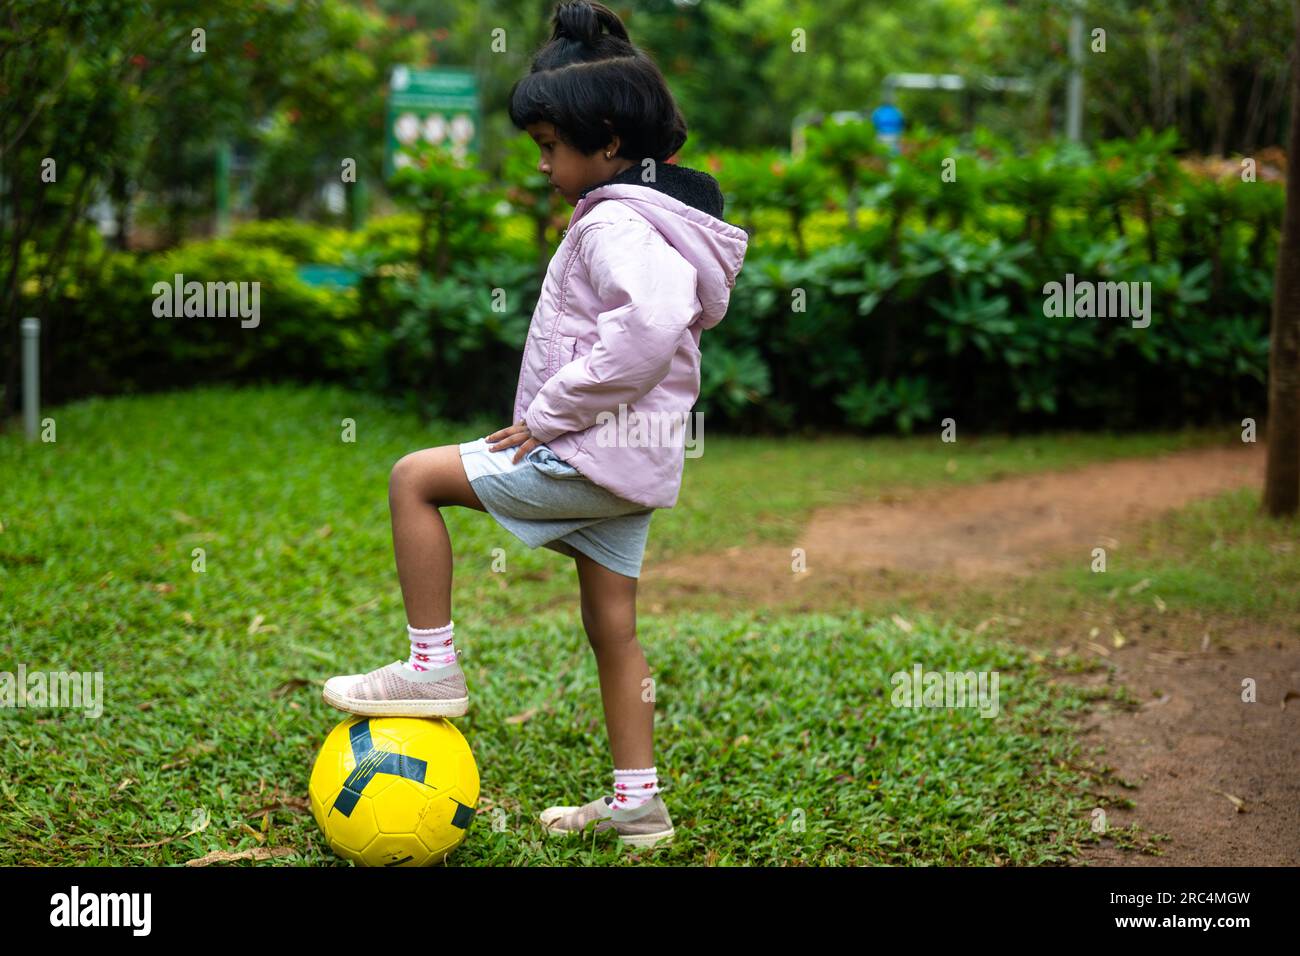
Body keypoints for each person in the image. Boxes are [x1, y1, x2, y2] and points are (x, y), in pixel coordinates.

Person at [322, 0, 749, 849]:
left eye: (552, 148)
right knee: (613, 627)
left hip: (589, 451)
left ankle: (431, 665)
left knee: (414, 478)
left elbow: (650, 324)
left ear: (608, 144)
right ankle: (639, 806)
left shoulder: (618, 220)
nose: (545, 165)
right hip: (632, 463)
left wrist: (549, 416)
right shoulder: (654, 216)